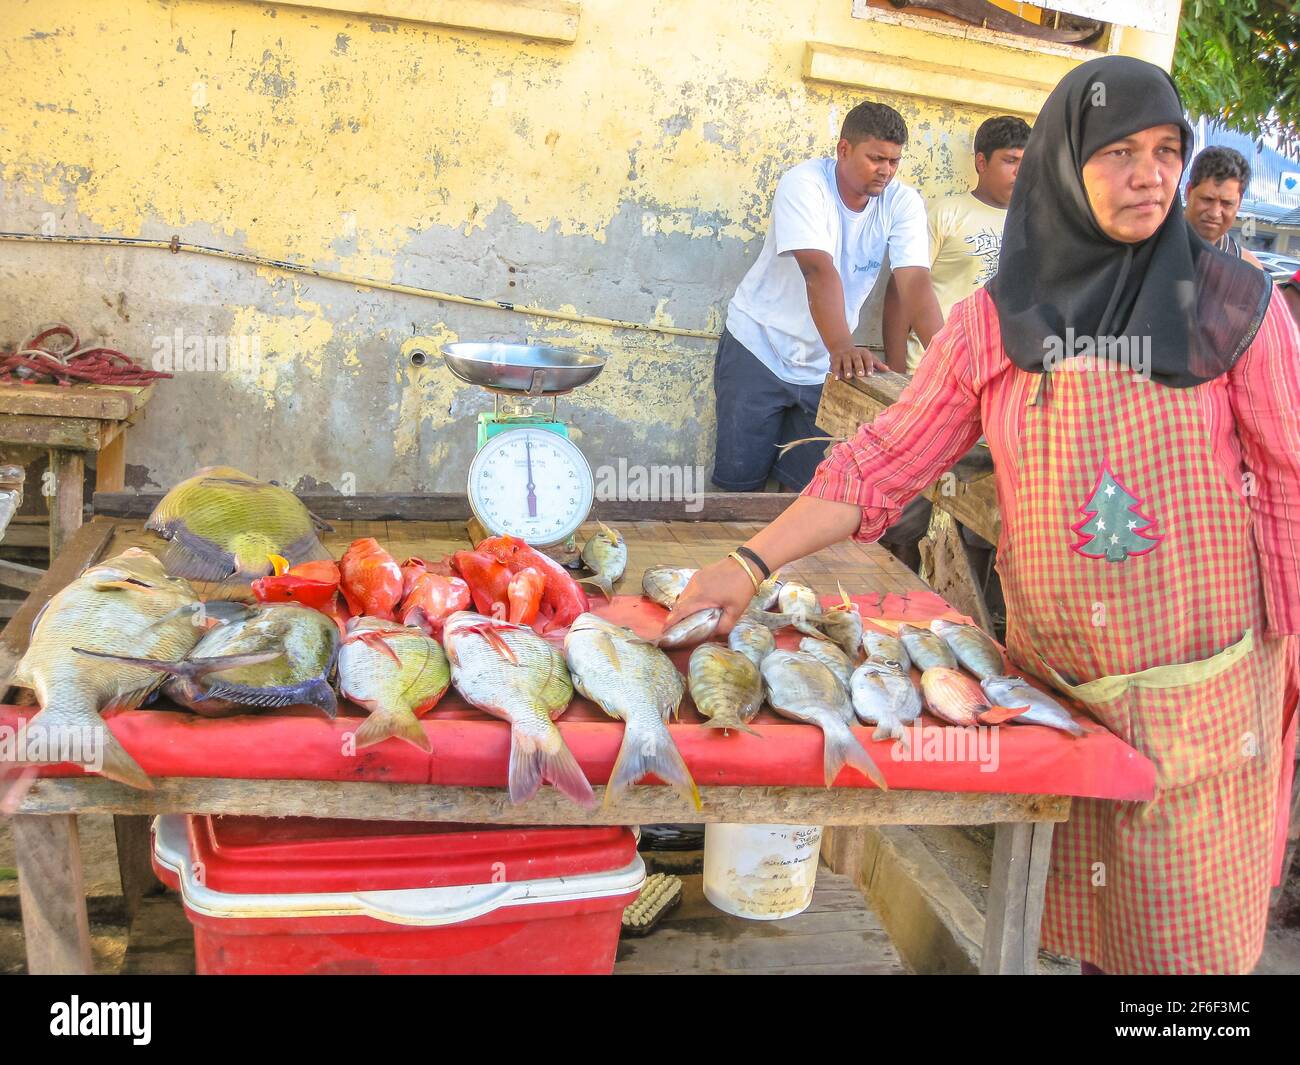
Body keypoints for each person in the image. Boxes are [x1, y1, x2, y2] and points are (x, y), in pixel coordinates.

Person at [668, 55, 1300, 974]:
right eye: (1119, 151)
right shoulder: (996, 321)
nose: (1151, 175)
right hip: (1051, 699)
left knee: (1183, 963)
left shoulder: (1238, 309)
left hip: (1203, 706)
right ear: (1063, 162)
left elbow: (1290, 485)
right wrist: (750, 565)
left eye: (1168, 150)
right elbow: (881, 461)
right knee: (1083, 931)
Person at [712, 101, 942, 493]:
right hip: (760, 348)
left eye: (894, 161)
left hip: (826, 367)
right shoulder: (804, 184)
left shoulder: (902, 202)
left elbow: (915, 282)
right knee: (738, 489)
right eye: (875, 158)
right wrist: (842, 346)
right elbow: (818, 270)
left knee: (809, 494)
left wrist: (945, 360)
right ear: (843, 150)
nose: (885, 170)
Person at [883, 115, 1031, 374]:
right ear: (981, 162)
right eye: (1010, 161)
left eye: (1026, 162)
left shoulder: (1033, 223)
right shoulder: (944, 213)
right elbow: (900, 290)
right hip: (931, 369)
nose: (1020, 171)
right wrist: (895, 373)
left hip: (994, 373)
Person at [1184, 146, 1263, 267]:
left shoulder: (1247, 270)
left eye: (1227, 203)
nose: (1214, 213)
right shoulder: (1151, 243)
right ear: (1189, 192)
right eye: (1207, 199)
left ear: (1239, 203)